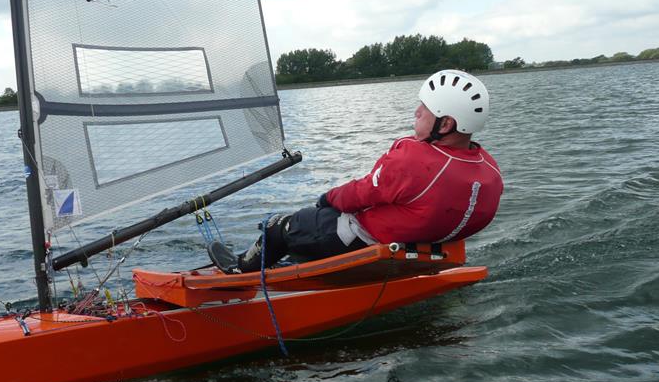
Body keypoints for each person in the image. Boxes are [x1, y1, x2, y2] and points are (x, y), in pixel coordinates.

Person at [207, 69, 503, 274]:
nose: (416, 113)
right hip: (424, 247)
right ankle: (299, 261)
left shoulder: (414, 159)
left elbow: (359, 194)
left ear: (446, 124)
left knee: (278, 225)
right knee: (311, 226)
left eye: (423, 110)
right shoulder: (488, 168)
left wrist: (328, 198)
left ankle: (238, 270)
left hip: (363, 241)